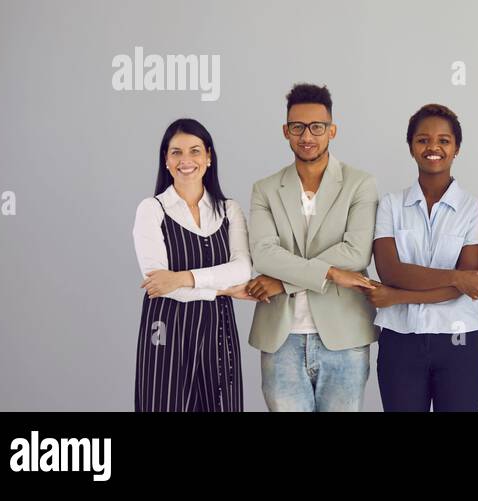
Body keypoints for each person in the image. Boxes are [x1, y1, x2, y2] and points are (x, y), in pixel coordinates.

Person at [245, 83, 380, 412]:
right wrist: (332, 272)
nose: (307, 136)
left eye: (317, 127)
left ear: (332, 130)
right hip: (281, 338)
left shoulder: (360, 184)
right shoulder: (265, 189)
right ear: (286, 131)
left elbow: (357, 252)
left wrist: (283, 280)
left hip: (344, 336)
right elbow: (263, 253)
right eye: (298, 127)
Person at [366, 104, 478, 412]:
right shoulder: (390, 205)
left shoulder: (476, 209)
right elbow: (390, 270)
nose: (433, 147)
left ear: (456, 148)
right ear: (411, 147)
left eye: (444, 140)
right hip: (400, 341)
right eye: (423, 140)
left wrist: (396, 297)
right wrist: (455, 276)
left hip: (459, 343)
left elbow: (470, 283)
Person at [133, 117, 254, 412]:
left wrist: (183, 277)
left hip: (218, 331)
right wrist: (222, 290)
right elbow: (162, 286)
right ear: (166, 160)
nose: (185, 160)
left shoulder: (229, 210)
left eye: (195, 150)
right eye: (176, 152)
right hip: (166, 331)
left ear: (209, 157)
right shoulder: (152, 210)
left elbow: (242, 270)